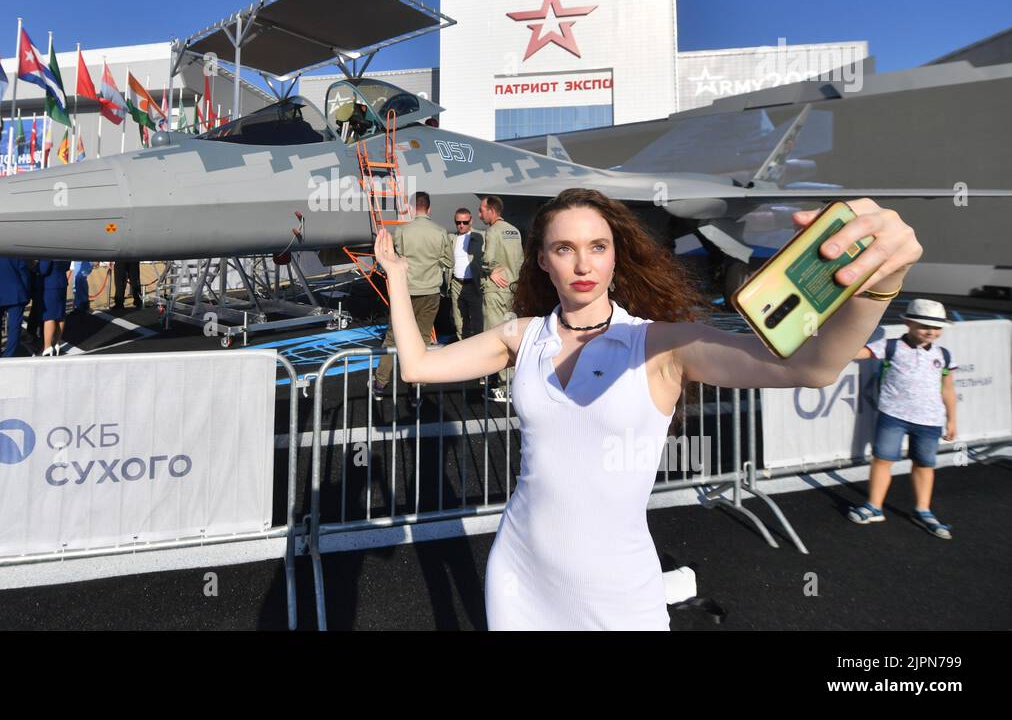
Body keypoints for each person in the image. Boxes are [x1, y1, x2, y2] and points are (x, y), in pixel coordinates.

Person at [374, 188, 922, 630]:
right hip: (519, 571)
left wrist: (881, 287)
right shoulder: (522, 337)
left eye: (597, 246)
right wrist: (397, 278)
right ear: (542, 260)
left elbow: (809, 367)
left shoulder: (661, 345)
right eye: (564, 249)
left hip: (618, 590)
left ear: (616, 255)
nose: (582, 263)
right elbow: (419, 364)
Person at [847, 298, 957, 538]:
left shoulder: (944, 355)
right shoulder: (890, 346)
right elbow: (858, 352)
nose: (930, 332)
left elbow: (947, 389)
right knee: (882, 459)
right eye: (923, 325)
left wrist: (952, 420)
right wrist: (829, 340)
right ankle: (874, 506)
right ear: (908, 322)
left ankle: (923, 510)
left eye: (937, 327)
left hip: (930, 421)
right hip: (893, 416)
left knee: (925, 464)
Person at [373, 191, 452, 401]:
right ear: (429, 208)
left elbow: (395, 256)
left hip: (406, 292)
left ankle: (380, 384)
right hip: (431, 292)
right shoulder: (440, 232)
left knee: (392, 337)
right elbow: (449, 262)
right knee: (424, 337)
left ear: (411, 208)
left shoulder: (402, 231)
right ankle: (416, 387)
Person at [478, 195, 524, 400]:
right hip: (513, 290)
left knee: (496, 338)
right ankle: (514, 383)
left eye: (482, 210)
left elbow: (488, 258)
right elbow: (521, 260)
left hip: (496, 291)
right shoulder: (514, 230)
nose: (480, 214)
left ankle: (505, 387)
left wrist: (491, 270)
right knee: (512, 335)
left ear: (492, 210)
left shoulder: (492, 231)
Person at [446, 206, 483, 340]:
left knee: (478, 320)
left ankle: (479, 349)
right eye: (458, 223)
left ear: (471, 221)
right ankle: (463, 347)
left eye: (465, 222)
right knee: (459, 321)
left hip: (474, 284)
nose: (461, 225)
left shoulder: (480, 237)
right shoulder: (451, 238)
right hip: (456, 283)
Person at [33, 259, 72, 356]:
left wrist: (35, 266)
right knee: (60, 315)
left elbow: (43, 269)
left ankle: (47, 347)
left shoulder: (49, 248)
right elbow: (67, 265)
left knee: (49, 316)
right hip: (61, 282)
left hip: (49, 284)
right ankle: (56, 343)